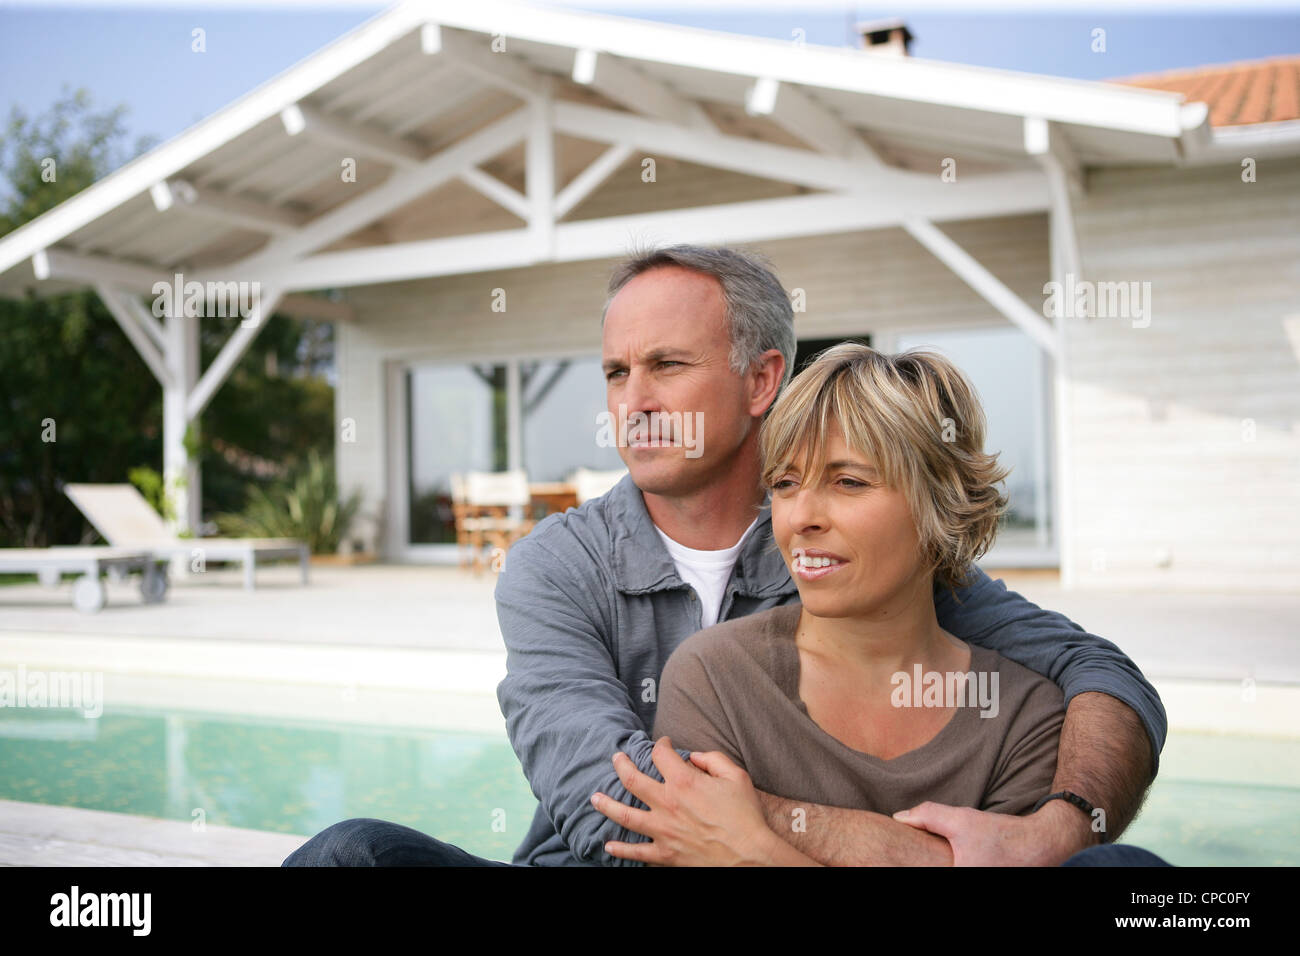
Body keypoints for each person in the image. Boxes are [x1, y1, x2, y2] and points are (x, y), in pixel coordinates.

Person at [283, 245, 1166, 867]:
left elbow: (1104, 677)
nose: (635, 400)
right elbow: (615, 813)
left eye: (667, 364)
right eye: (616, 372)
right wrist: (904, 852)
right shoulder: (554, 567)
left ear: (760, 379)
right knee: (348, 855)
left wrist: (1057, 831)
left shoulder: (847, 556)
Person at [604, 342, 1085, 865]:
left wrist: (758, 853)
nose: (799, 517)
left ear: (942, 504)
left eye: (849, 482)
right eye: (785, 483)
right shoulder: (714, 679)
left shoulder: (1023, 715)